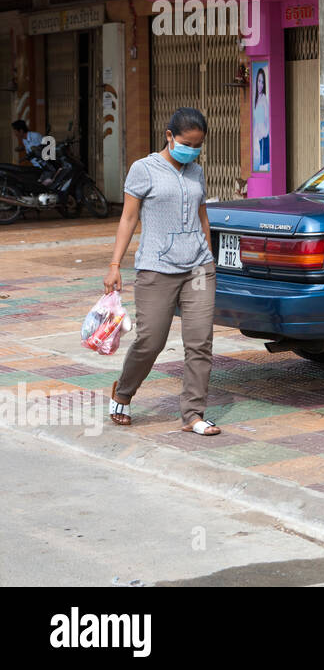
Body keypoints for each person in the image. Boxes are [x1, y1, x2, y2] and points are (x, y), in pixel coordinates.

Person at [104, 107, 221, 435]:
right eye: (186, 143)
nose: (192, 151)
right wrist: (114, 266)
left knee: (200, 343)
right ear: (169, 136)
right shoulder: (143, 169)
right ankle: (124, 392)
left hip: (198, 268)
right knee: (151, 340)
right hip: (156, 269)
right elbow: (128, 219)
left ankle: (193, 414)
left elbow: (202, 218)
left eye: (198, 146)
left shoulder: (196, 171)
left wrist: (207, 257)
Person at [252, 67, 270, 172]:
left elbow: (265, 119)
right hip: (259, 138)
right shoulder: (257, 99)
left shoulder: (263, 99)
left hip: (263, 138)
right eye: (259, 81)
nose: (260, 84)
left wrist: (262, 133)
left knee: (263, 166)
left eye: (262, 82)